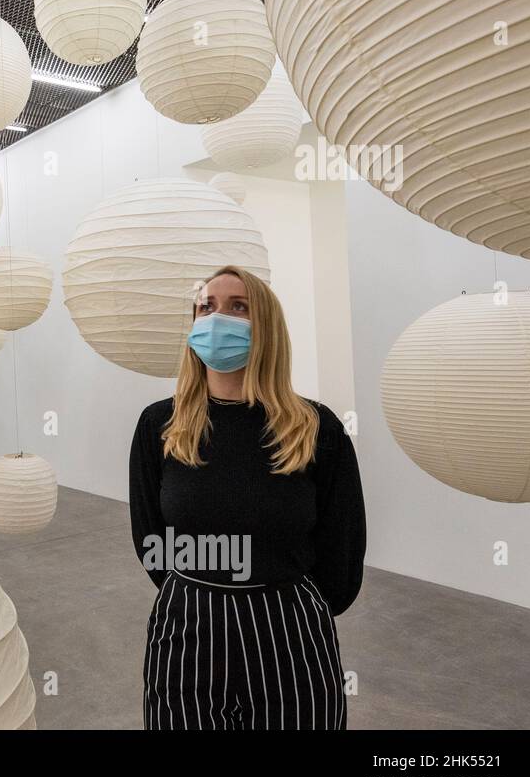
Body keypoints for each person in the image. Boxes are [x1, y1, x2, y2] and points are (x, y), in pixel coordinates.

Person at [128, 265, 366, 730]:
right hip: (187, 629)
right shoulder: (159, 425)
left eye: (239, 307)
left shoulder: (316, 429)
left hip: (289, 630)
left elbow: (343, 549)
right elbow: (150, 536)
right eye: (206, 307)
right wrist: (194, 592)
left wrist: (297, 605)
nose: (219, 319)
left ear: (268, 328)